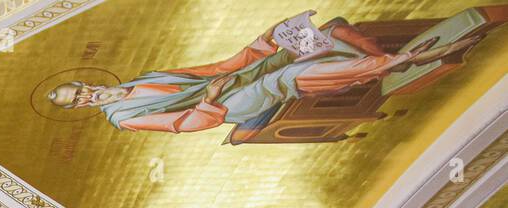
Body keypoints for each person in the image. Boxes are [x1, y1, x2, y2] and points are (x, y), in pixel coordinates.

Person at [46, 14, 483, 139]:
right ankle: (394, 65)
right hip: (228, 107)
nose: (88, 96)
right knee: (283, 77)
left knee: (318, 33)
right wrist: (209, 100)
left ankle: (383, 60)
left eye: (81, 89)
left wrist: (266, 40)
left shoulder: (146, 77)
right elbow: (180, 124)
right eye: (80, 101)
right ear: (83, 108)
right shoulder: (124, 117)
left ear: (88, 82)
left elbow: (217, 69)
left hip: (227, 84)